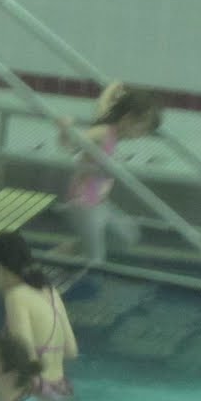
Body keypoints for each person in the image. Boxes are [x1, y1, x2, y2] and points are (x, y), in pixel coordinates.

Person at [56, 81, 162, 266]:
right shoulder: (103, 132)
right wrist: (65, 130)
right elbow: (71, 146)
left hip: (99, 202)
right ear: (128, 119)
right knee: (95, 260)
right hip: (83, 203)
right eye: (141, 128)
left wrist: (115, 86)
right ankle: (52, 270)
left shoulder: (112, 128)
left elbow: (103, 105)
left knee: (127, 236)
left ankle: (67, 250)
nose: (142, 134)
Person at [0, 231, 79, 400]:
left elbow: (24, 359)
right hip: (61, 389)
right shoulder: (50, 291)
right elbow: (71, 351)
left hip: (37, 394)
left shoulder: (15, 297)